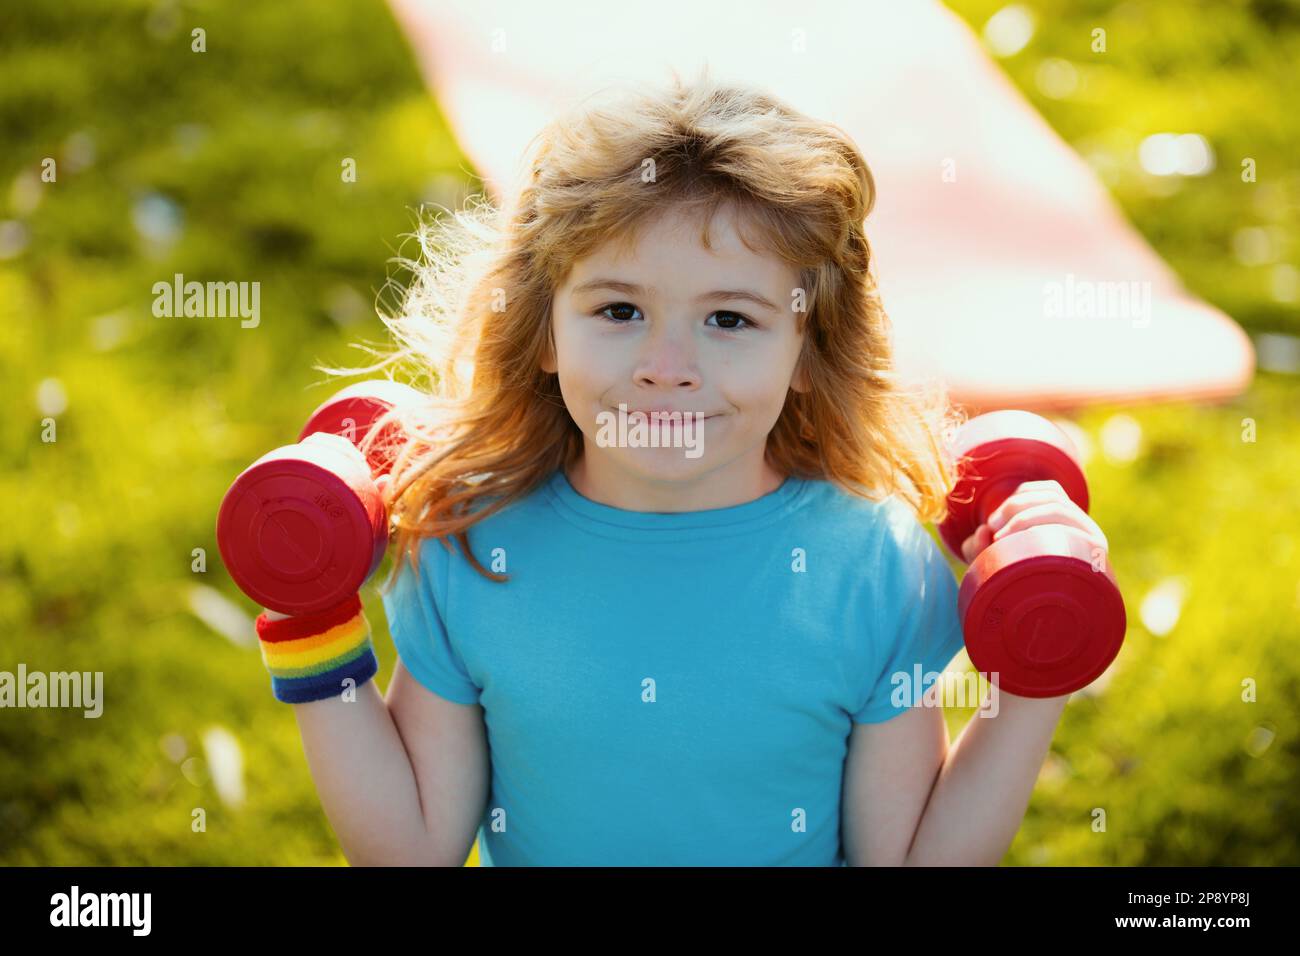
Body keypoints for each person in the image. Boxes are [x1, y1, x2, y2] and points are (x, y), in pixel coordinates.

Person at [255, 68, 1105, 866]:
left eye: (729, 320)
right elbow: (409, 848)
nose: (667, 364)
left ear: (808, 350)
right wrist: (309, 617)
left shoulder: (874, 568)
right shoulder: (470, 545)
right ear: (545, 332)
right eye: (619, 310)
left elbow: (910, 858)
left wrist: (1036, 672)